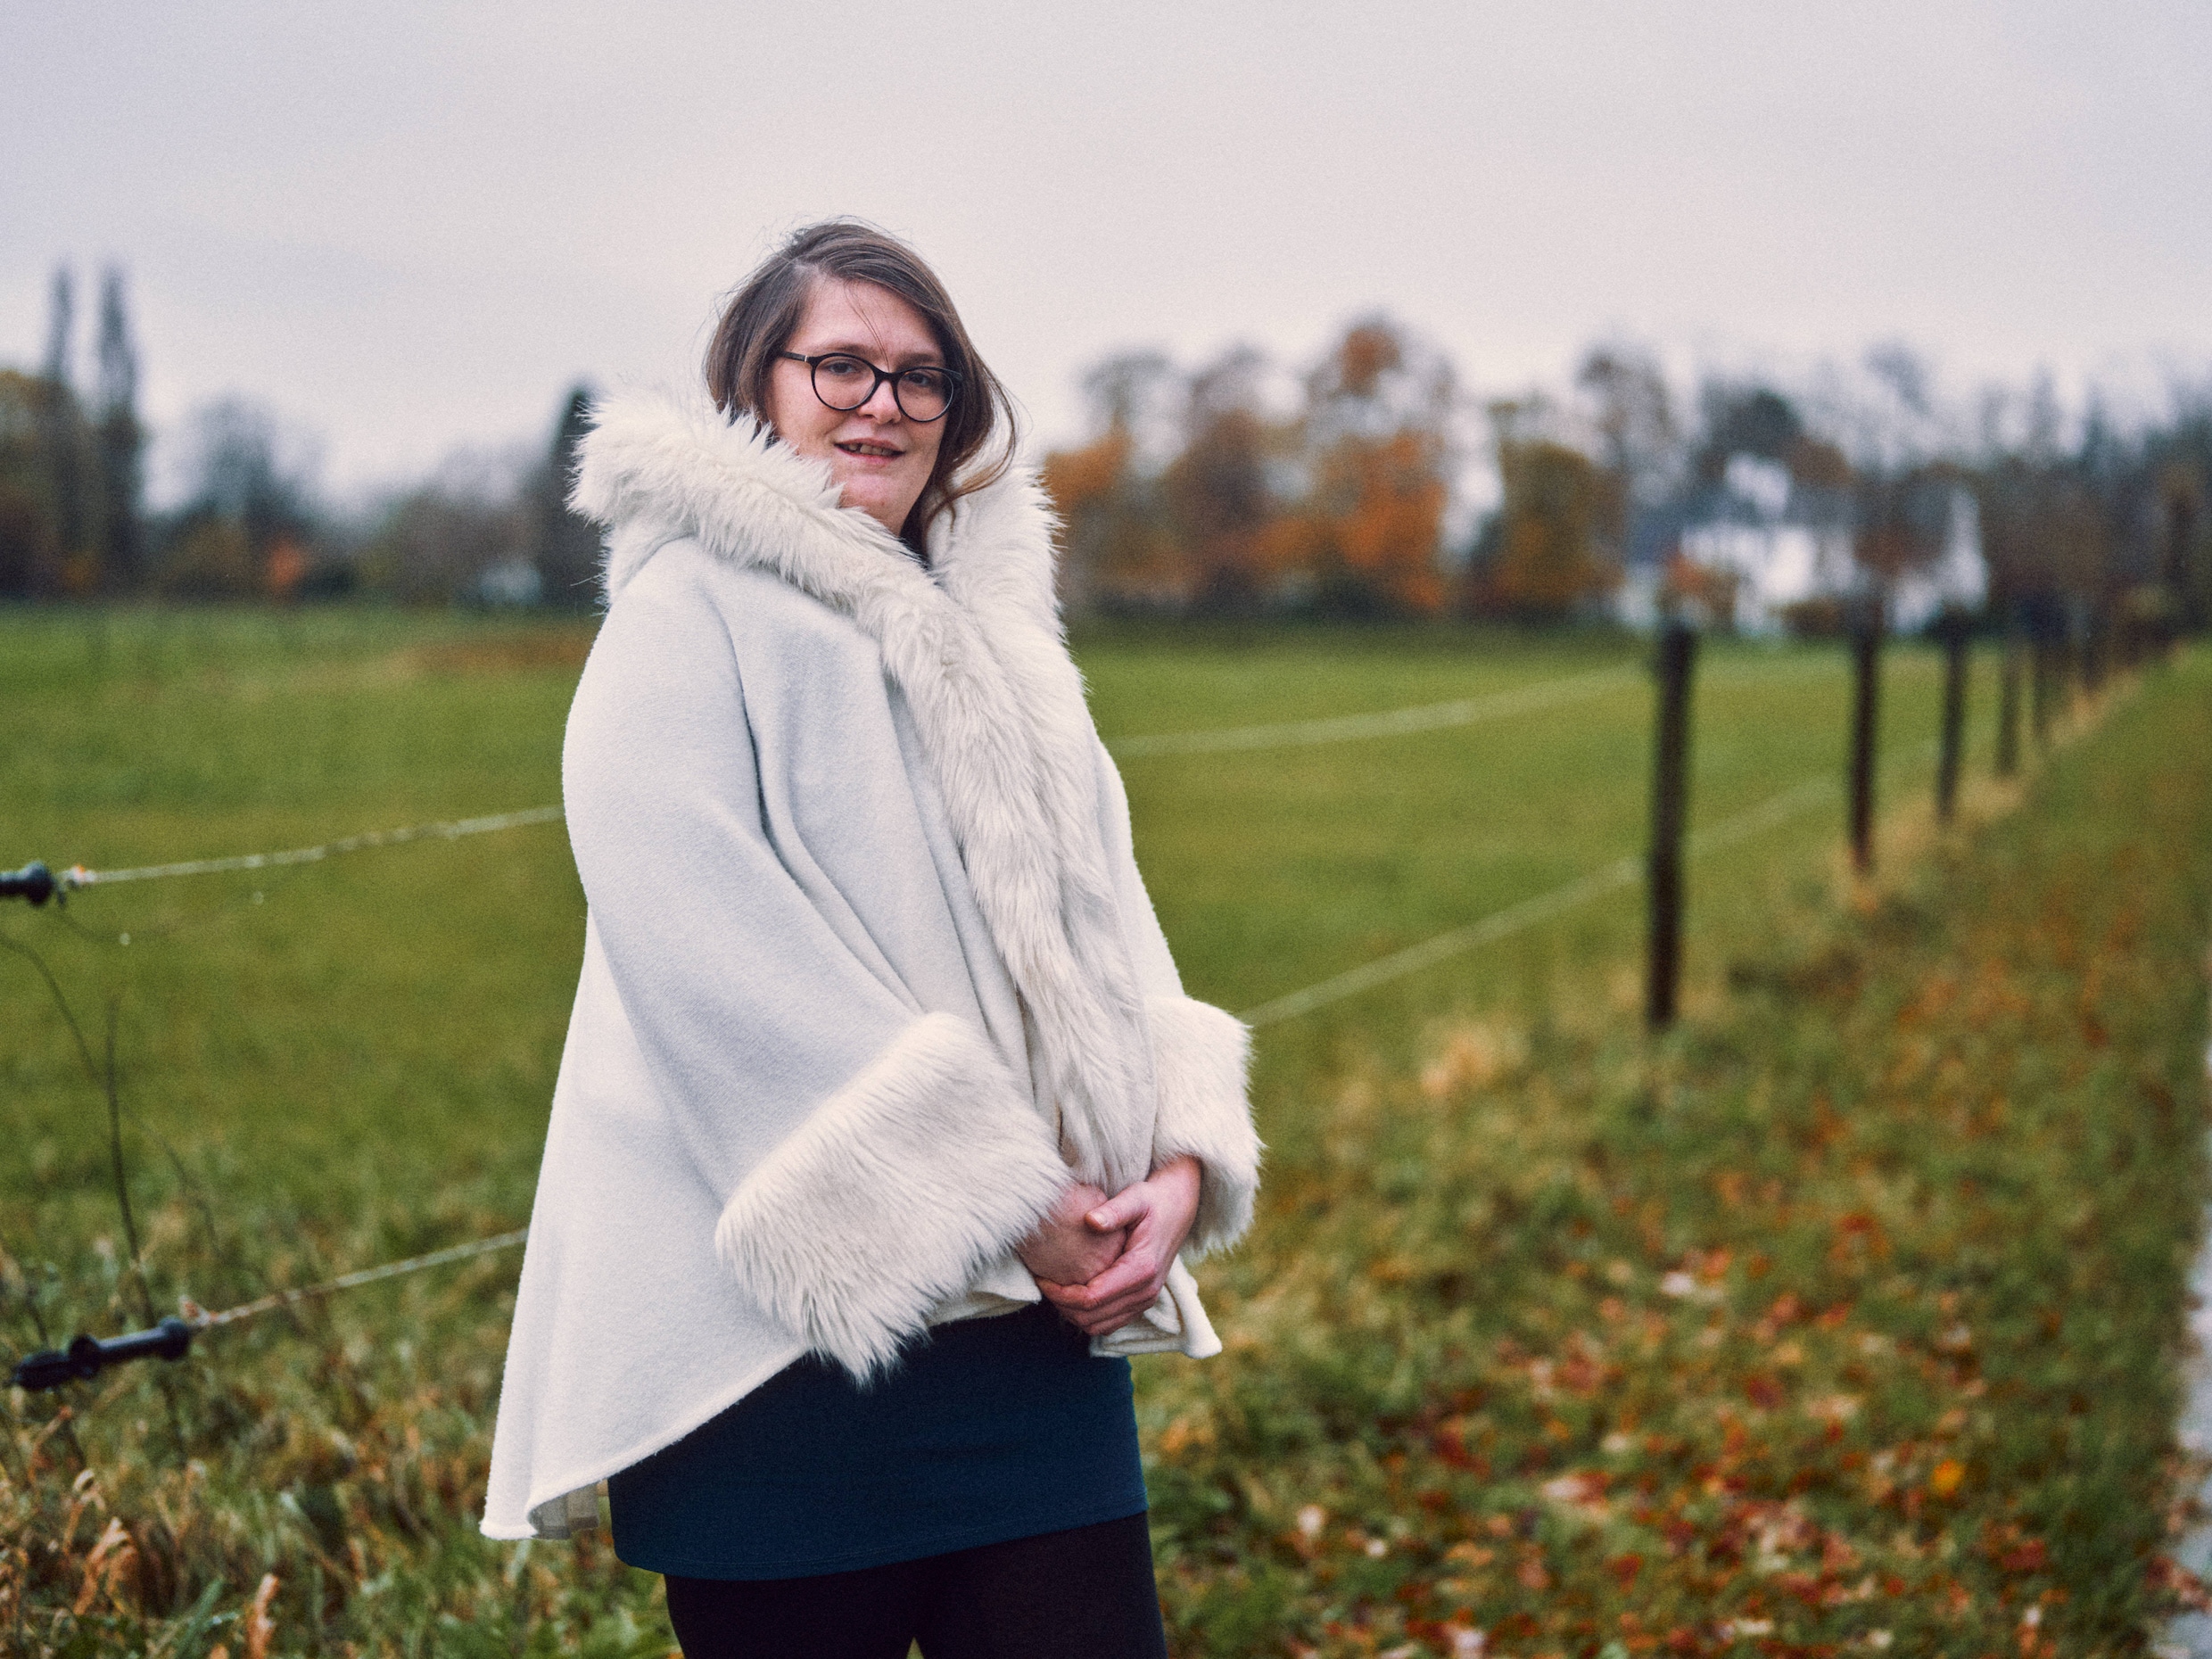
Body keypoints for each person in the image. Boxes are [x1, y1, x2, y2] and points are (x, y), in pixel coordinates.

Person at [481, 220, 1261, 1658]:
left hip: (1038, 1340)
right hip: (779, 1359)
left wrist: (1176, 1158)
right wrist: (995, 1196)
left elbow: (1106, 912)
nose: (883, 403)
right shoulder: (683, 619)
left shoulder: (1001, 635)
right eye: (841, 364)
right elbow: (713, 964)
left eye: (921, 375)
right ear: (757, 386)